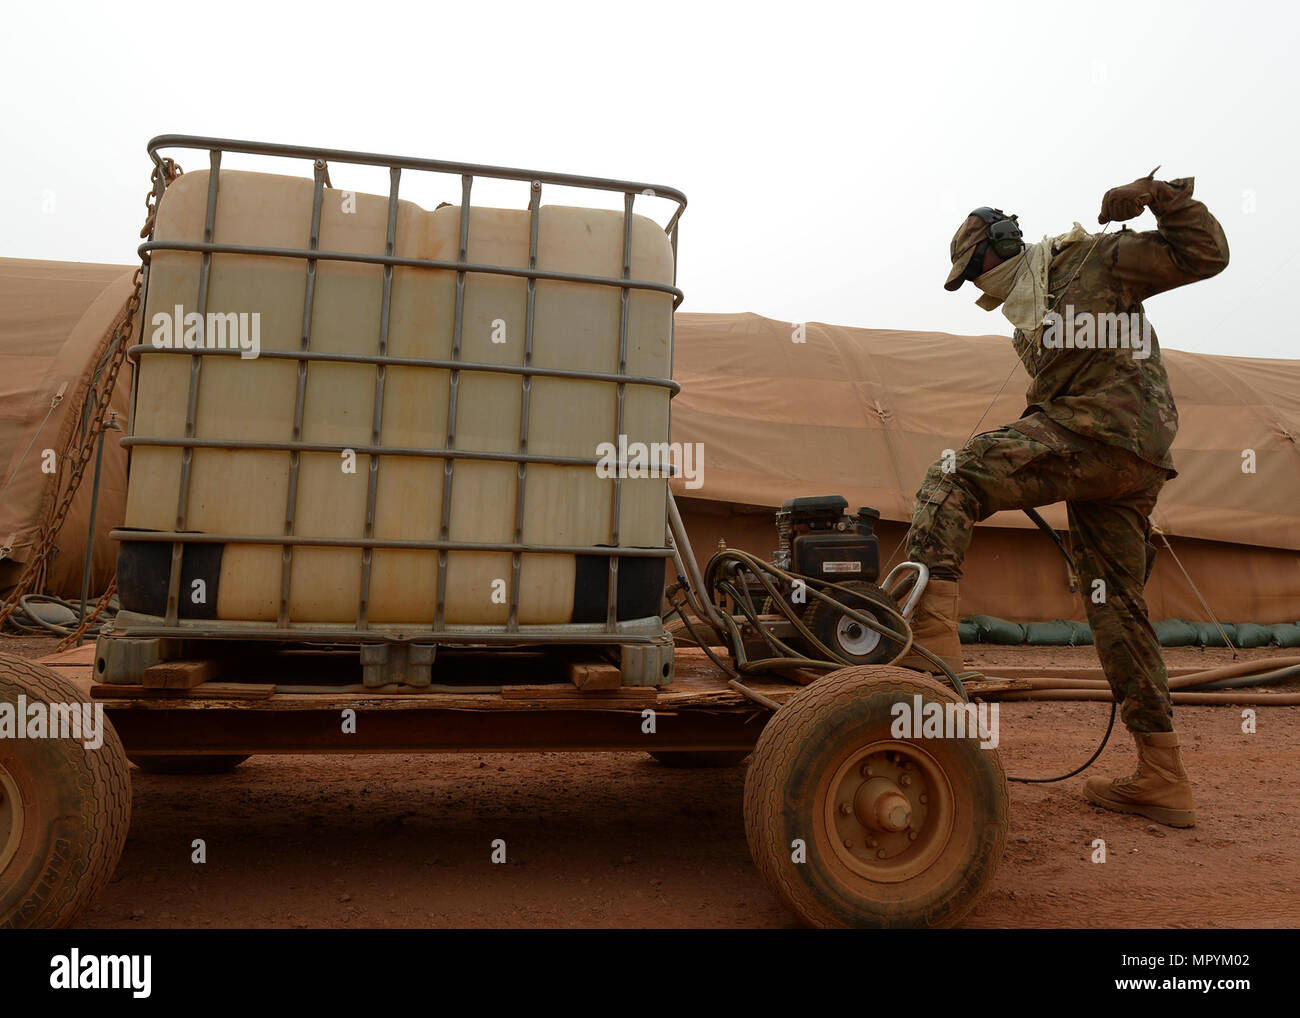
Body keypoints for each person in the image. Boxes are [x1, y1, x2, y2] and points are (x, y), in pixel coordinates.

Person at [901, 170, 1229, 827]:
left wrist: (1163, 200)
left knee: (951, 479)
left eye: (976, 269)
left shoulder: (1095, 258)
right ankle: (1163, 778)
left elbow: (1206, 255)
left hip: (1103, 435)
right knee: (1116, 607)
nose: (977, 287)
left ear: (1001, 244)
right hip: (1119, 456)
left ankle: (926, 672)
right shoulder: (1027, 315)